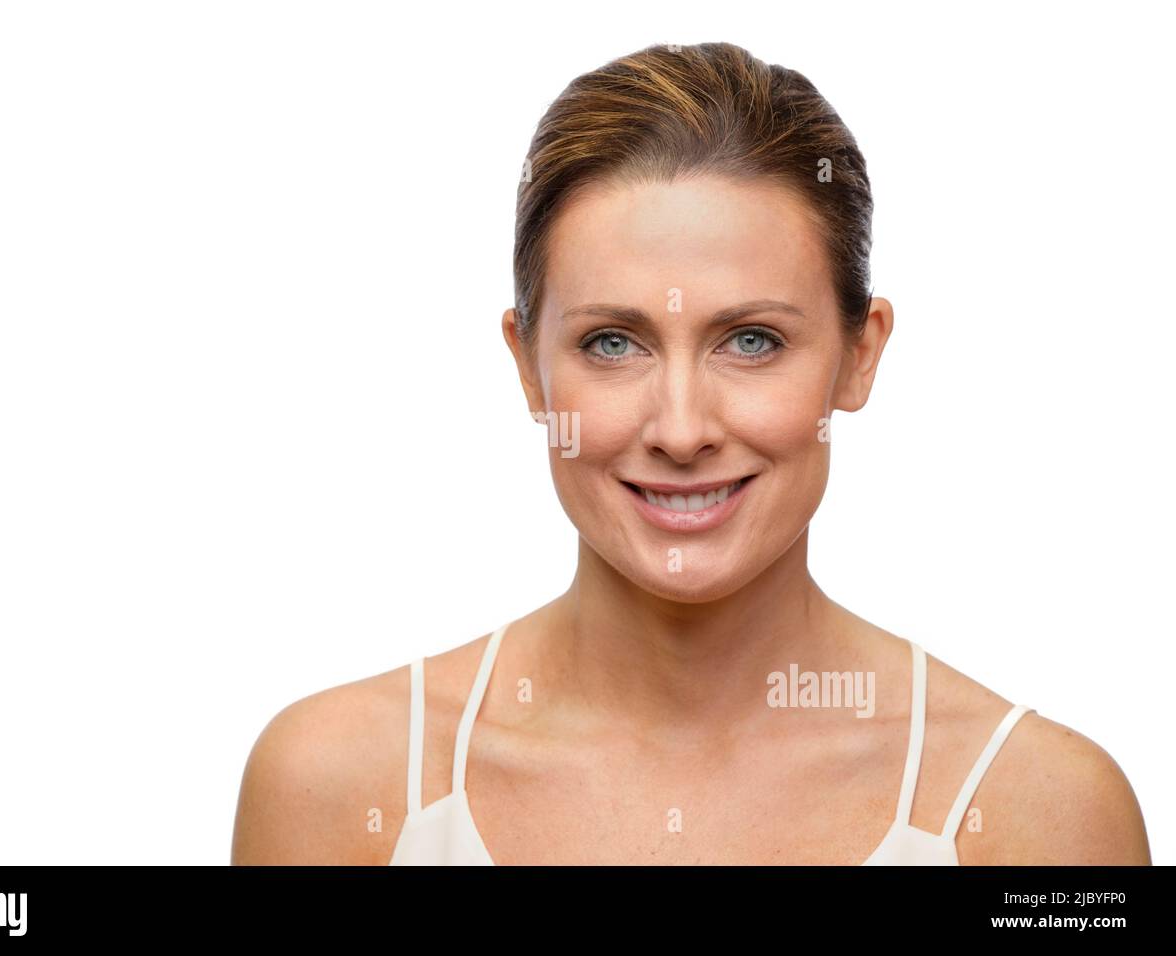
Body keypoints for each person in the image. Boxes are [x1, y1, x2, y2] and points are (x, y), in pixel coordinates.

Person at [230, 41, 1151, 865]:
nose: (679, 430)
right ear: (526, 365)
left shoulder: (1041, 819)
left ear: (858, 355)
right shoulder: (341, 791)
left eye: (751, 341)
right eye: (611, 344)